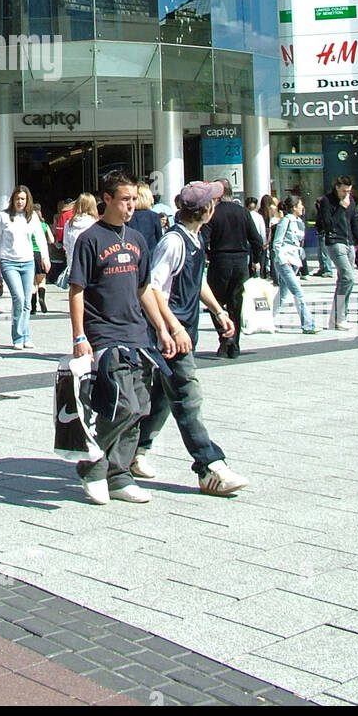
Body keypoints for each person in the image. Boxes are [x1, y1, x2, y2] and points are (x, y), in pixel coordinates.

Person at [134, 182, 247, 494]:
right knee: (187, 395)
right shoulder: (174, 242)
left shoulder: (195, 239)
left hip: (183, 331)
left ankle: (135, 450)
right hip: (172, 333)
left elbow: (196, 281)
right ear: (207, 210)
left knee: (163, 396)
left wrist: (219, 311)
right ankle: (209, 465)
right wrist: (171, 328)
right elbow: (153, 288)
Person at [67, 171, 173, 506]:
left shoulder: (139, 240)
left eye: (133, 200)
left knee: (140, 407)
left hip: (137, 334)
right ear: (107, 199)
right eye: (124, 199)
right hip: (105, 334)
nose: (130, 206)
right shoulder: (91, 239)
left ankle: (119, 475)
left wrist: (161, 328)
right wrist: (79, 336)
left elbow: (145, 289)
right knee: (121, 403)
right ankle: (92, 463)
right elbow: (77, 289)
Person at [203, 178, 263, 358]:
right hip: (240, 262)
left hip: (219, 261)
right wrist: (256, 260)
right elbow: (257, 240)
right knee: (236, 304)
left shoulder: (212, 213)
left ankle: (224, 337)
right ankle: (235, 343)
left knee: (216, 304)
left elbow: (204, 241)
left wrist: (205, 256)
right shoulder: (243, 212)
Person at [0, 185, 51, 348]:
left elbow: (40, 237)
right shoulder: (4, 216)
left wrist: (45, 257)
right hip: (9, 261)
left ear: (27, 200)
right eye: (17, 198)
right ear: (13, 200)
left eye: (23, 199)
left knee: (26, 301)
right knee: (18, 297)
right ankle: (17, 337)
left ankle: (26, 335)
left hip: (28, 262)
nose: (20, 202)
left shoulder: (32, 217)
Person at [316, 176, 358, 330]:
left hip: (349, 242)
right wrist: (341, 208)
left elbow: (354, 224)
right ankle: (339, 317)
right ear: (337, 187)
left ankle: (338, 317)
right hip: (334, 241)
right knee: (347, 277)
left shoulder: (351, 201)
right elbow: (328, 224)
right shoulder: (326, 201)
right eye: (344, 190)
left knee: (346, 281)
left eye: (349, 191)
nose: (346, 194)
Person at [270, 196, 316, 333]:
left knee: (283, 294)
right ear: (294, 207)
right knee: (298, 292)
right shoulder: (286, 221)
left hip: (295, 260)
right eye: (300, 205)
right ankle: (308, 325)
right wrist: (283, 258)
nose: (302, 207)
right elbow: (277, 243)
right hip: (285, 261)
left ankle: (268, 319)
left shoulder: (299, 222)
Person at [63, 193, 98, 283]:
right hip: (92, 263)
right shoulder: (96, 224)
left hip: (73, 263)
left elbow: (66, 244)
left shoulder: (69, 223)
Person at [30, 202, 54, 315]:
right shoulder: (44, 226)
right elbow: (52, 240)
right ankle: (42, 299)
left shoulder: (28, 225)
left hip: (30, 254)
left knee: (33, 282)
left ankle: (33, 307)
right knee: (42, 280)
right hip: (41, 254)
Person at [128, 182, 164, 255]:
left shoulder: (128, 216)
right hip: (151, 255)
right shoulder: (154, 216)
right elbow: (160, 239)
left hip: (133, 255)